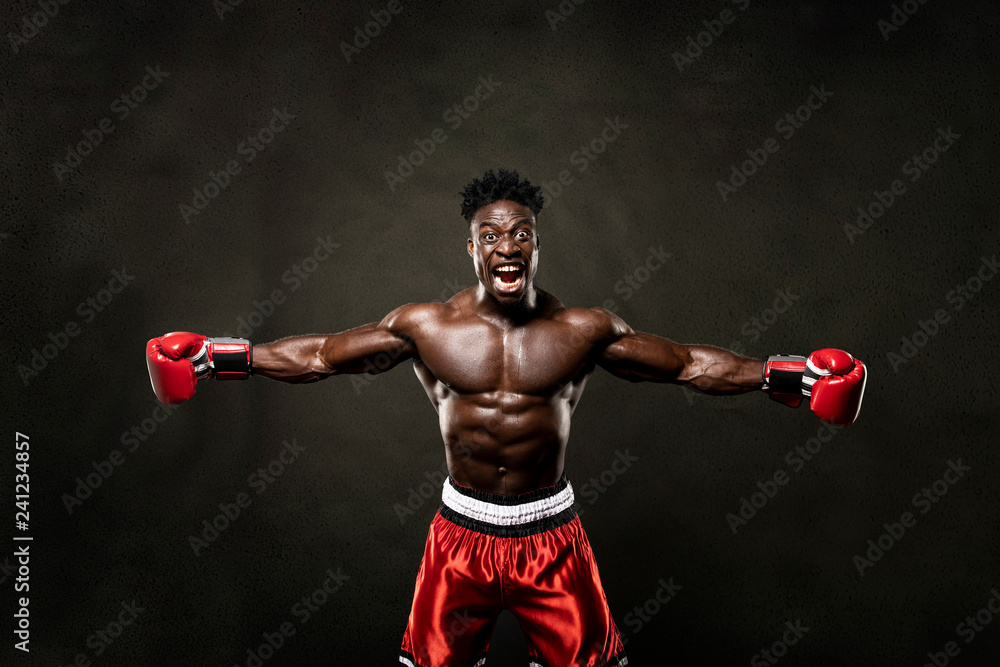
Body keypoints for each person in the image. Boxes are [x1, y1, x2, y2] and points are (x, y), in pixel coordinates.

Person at [146, 168, 866, 667]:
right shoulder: (426, 326)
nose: (506, 247)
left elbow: (684, 364)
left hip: (552, 538)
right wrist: (218, 356)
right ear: (472, 247)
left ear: (535, 242)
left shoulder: (581, 329)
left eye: (519, 233)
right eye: (491, 235)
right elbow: (322, 355)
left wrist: (789, 375)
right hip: (458, 540)